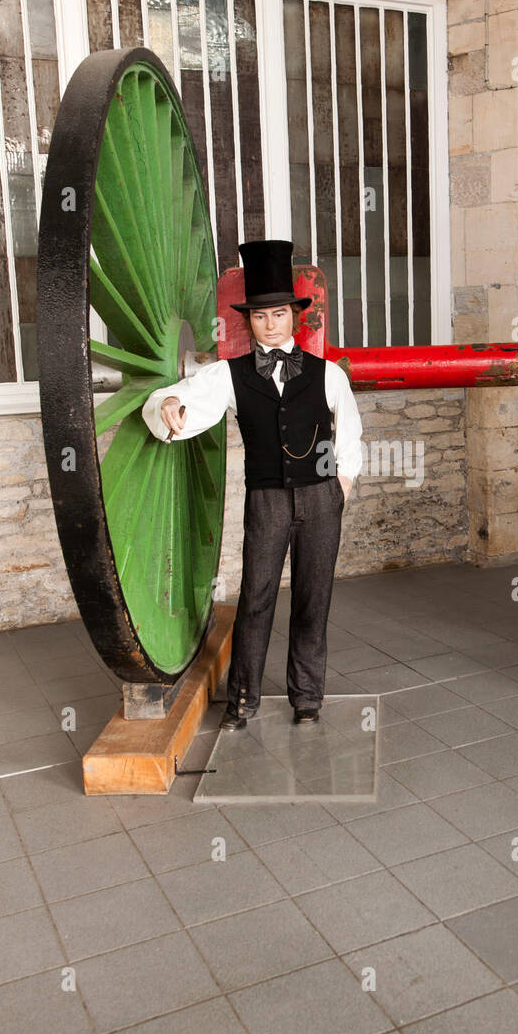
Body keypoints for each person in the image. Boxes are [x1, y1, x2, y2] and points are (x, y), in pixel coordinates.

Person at [141, 239, 364, 733]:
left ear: (294, 316)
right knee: (256, 598)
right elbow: (175, 396)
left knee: (314, 598)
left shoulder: (328, 374)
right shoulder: (228, 375)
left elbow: (349, 435)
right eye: (261, 316)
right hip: (266, 502)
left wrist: (338, 489)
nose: (270, 324)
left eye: (279, 314)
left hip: (322, 499)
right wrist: (167, 406)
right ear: (250, 321)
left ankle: (307, 698)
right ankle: (242, 700)